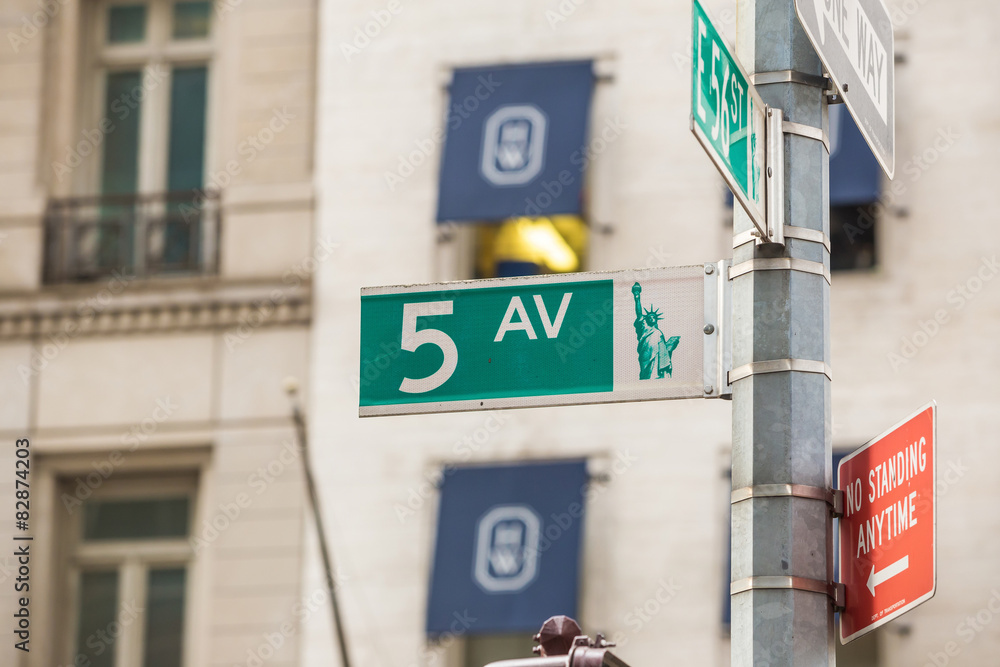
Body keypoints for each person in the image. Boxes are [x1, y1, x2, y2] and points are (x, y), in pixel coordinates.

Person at [631, 282, 680, 379]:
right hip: (646, 353)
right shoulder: (644, 328)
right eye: (649, 317)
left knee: (658, 374)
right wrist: (637, 297)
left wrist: (670, 344)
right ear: (647, 319)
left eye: (654, 317)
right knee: (646, 373)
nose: (652, 318)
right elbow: (639, 314)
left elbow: (664, 350)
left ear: (656, 319)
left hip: (659, 358)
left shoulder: (659, 332)